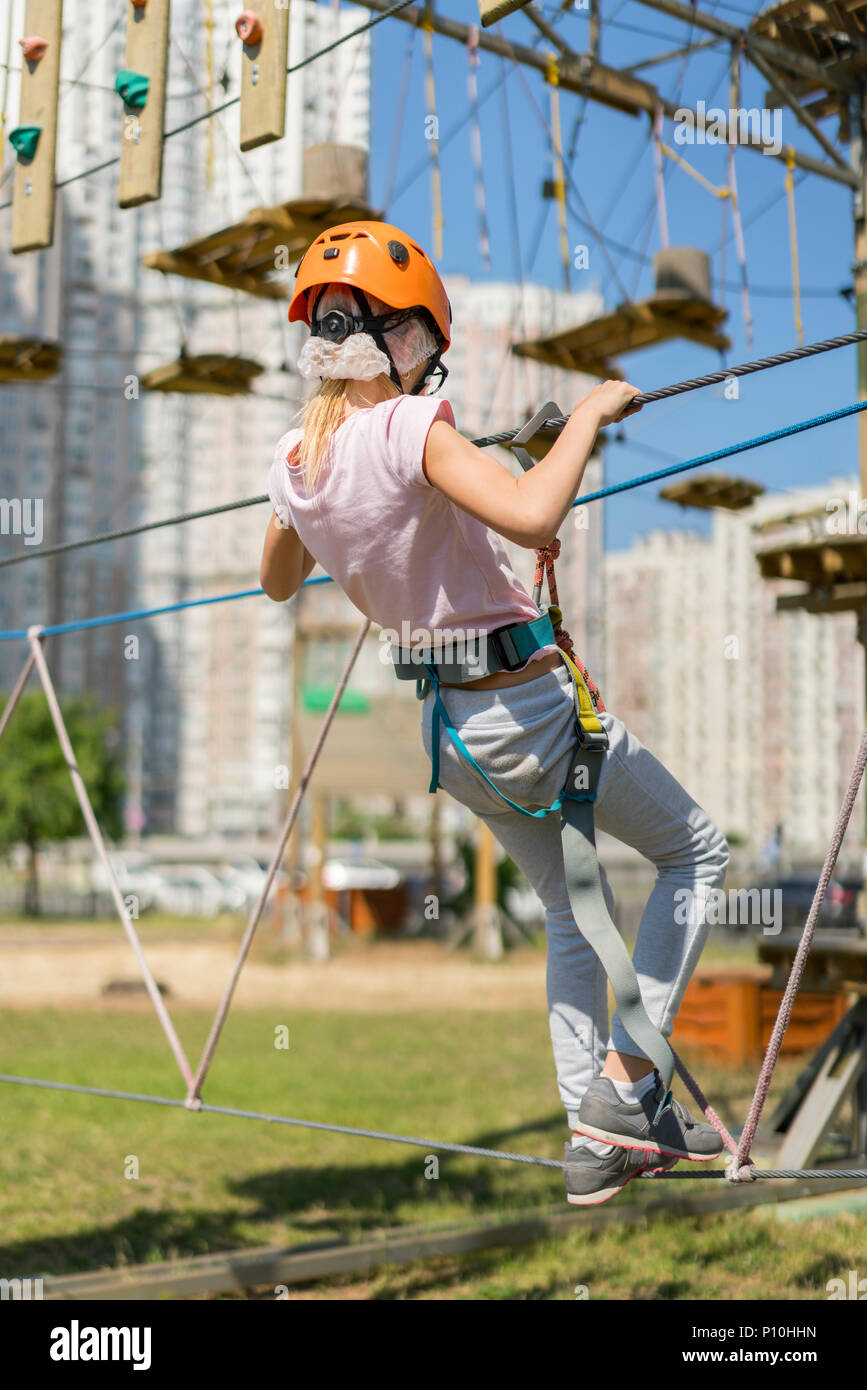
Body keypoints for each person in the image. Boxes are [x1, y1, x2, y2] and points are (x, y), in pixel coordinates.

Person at [260, 221, 729, 1205]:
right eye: (422, 341)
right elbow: (532, 518)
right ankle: (628, 1084)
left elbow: (275, 579)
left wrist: (336, 507)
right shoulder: (409, 428)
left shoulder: (294, 464)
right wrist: (594, 412)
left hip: (457, 737)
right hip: (523, 706)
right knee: (695, 849)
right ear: (398, 341)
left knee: (567, 908)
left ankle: (592, 1134)